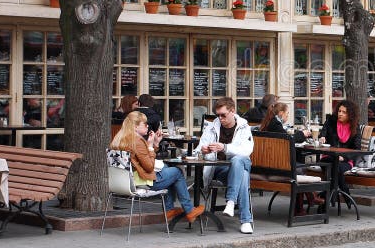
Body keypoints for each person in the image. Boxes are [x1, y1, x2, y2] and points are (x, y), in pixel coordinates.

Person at [110, 111, 204, 223]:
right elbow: (149, 167)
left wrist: (154, 144)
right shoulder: (137, 141)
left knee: (167, 169)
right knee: (177, 172)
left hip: (124, 182)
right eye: (144, 124)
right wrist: (150, 146)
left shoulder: (120, 139)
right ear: (135, 126)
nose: (148, 125)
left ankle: (169, 210)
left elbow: (143, 159)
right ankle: (189, 210)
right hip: (143, 181)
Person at [198, 97, 255, 234]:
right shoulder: (212, 126)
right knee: (243, 175)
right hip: (219, 168)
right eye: (218, 115)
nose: (220, 118)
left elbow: (246, 151)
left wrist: (224, 147)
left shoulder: (244, 127)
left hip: (238, 163)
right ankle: (245, 220)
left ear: (232, 111)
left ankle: (231, 201)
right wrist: (203, 150)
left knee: (237, 161)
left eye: (223, 115)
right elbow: (199, 149)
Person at [260, 102, 317, 215]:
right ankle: (304, 203)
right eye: (287, 113)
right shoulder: (275, 124)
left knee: (298, 167)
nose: (287, 116)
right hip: (276, 166)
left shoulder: (270, 122)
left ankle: (309, 199)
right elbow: (288, 140)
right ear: (281, 113)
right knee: (299, 169)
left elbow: (285, 139)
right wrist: (302, 134)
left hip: (267, 163)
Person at [319, 100, 362, 195]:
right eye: (339, 111)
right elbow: (323, 132)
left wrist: (344, 157)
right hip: (328, 158)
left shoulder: (355, 127)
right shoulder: (331, 121)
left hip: (346, 160)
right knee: (333, 167)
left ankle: (326, 196)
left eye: (344, 112)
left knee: (335, 168)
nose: (340, 114)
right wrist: (322, 137)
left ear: (350, 114)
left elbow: (357, 149)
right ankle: (345, 190)